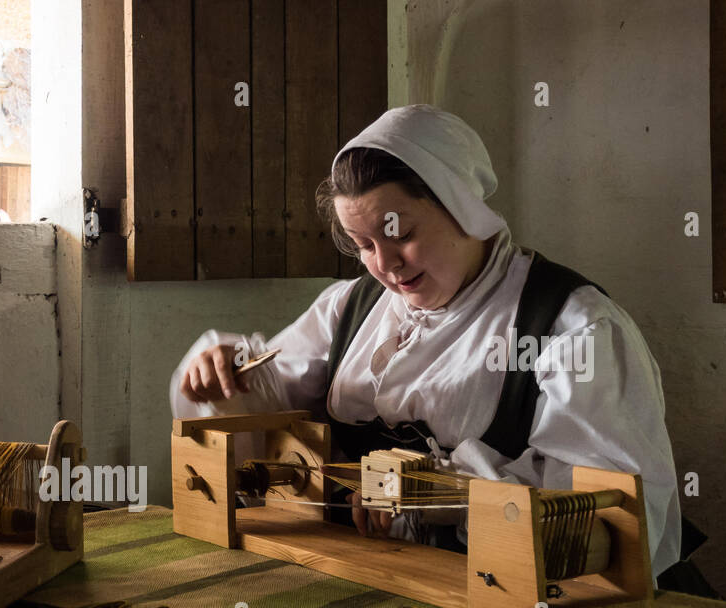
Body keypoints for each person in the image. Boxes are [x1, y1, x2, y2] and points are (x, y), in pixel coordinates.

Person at [170, 104, 683, 579]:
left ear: (463, 208)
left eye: (400, 233)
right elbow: (269, 408)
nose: (385, 265)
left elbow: (611, 506)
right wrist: (227, 371)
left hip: (509, 598)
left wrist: (437, 491)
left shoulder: (572, 326)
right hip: (366, 575)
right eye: (363, 245)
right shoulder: (350, 307)